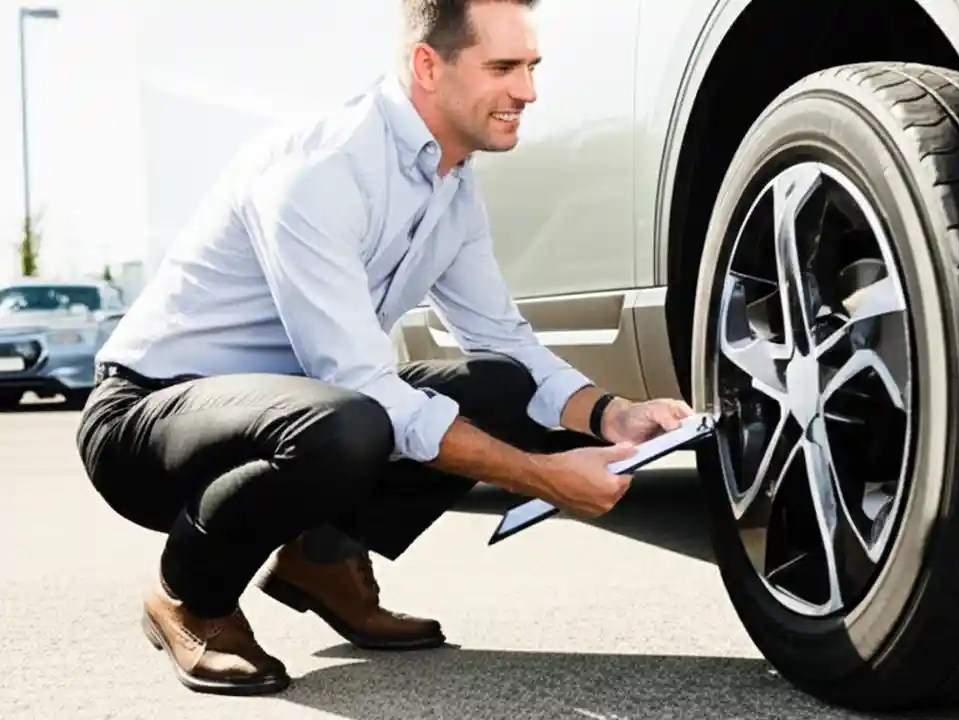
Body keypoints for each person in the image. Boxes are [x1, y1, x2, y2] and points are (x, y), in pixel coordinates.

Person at [75, 0, 693, 697]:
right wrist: (546, 476)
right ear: (427, 65)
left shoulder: (451, 185)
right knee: (351, 421)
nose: (528, 91)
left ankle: (323, 557)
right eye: (503, 67)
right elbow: (360, 382)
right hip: (148, 418)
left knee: (500, 385)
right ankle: (191, 597)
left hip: (294, 407)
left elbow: (503, 338)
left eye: (531, 67)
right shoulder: (322, 169)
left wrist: (612, 414)